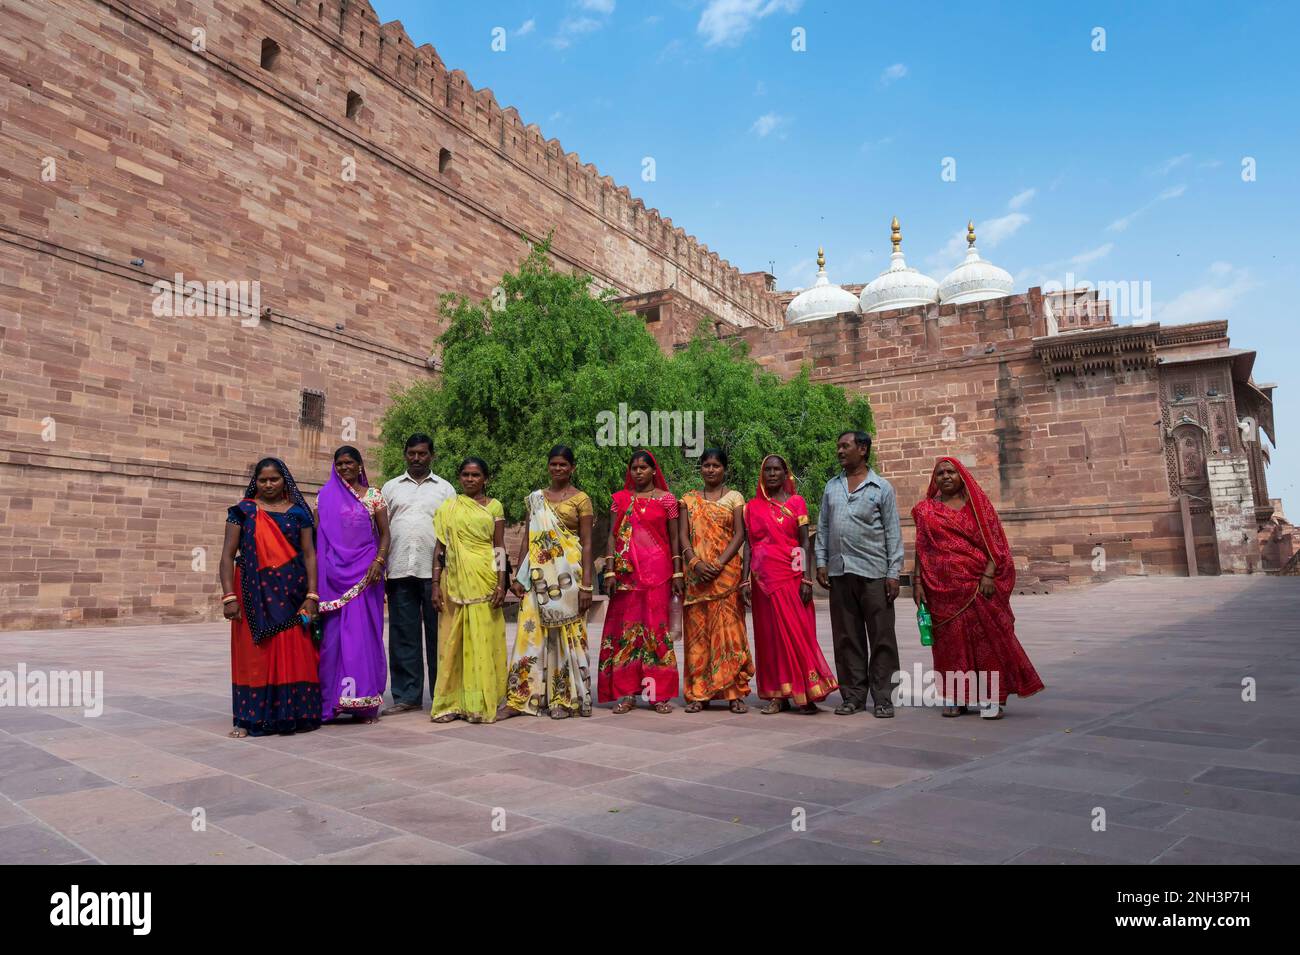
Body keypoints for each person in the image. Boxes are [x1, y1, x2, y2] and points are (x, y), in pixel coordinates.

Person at [911, 457, 1044, 718]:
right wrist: (917, 581)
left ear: (962, 476)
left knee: (989, 644)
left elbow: (997, 543)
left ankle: (994, 699)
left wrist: (989, 575)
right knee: (950, 646)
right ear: (933, 479)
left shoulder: (977, 507)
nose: (945, 477)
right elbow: (921, 548)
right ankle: (956, 697)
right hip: (941, 589)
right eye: (940, 473)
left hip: (978, 586)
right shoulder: (925, 510)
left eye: (951, 472)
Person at [219, 457, 321, 738]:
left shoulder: (299, 514)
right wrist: (229, 597)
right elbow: (227, 556)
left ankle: (295, 714)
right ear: (256, 482)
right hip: (252, 592)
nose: (268, 484)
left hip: (292, 592)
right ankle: (251, 718)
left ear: (284, 480)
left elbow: (310, 555)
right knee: (254, 655)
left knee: (291, 650)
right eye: (262, 480)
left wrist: (312, 595)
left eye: (274, 479)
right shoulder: (242, 512)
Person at [815, 430, 903, 718]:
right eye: (838, 446)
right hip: (840, 573)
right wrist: (821, 562)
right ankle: (852, 696)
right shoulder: (832, 487)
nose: (839, 451)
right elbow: (824, 528)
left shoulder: (881, 488)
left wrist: (893, 573)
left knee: (882, 637)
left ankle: (883, 697)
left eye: (845, 446)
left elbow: (893, 532)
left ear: (862, 449)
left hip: (874, 572)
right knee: (846, 637)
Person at [505, 445, 595, 718]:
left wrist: (587, 586)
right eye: (554, 464)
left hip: (568, 578)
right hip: (537, 576)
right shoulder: (535, 499)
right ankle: (520, 699)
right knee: (528, 633)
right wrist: (519, 576)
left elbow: (588, 545)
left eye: (563, 465)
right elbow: (527, 539)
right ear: (548, 466)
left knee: (564, 636)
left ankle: (563, 699)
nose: (558, 469)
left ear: (572, 468)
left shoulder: (581, 500)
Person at [744, 453, 838, 714]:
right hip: (763, 581)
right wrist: (744, 582)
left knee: (798, 634)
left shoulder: (796, 503)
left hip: (792, 577)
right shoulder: (751, 507)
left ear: (786, 474)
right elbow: (749, 546)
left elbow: (804, 542)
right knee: (770, 638)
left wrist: (806, 578)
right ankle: (778, 695)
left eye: (777, 470)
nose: (772, 474)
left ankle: (805, 694)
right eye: (767, 470)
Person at [598, 449, 682, 714]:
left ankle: (658, 696)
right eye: (634, 468)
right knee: (626, 634)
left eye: (643, 468)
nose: (638, 472)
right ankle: (626, 694)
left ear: (654, 470)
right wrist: (609, 571)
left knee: (656, 632)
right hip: (626, 577)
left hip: (659, 575)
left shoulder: (667, 501)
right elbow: (612, 537)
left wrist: (679, 573)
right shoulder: (619, 500)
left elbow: (675, 539)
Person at [380, 434, 456, 715]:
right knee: (403, 635)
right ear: (404, 454)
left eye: (422, 453)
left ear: (432, 456)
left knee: (438, 635)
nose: (416, 458)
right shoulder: (390, 488)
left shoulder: (446, 490)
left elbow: (452, 532)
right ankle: (407, 696)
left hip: (434, 572)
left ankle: (442, 693)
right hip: (399, 570)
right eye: (411, 453)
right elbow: (380, 529)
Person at [430, 458, 508, 723]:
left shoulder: (494, 507)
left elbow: (499, 547)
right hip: (452, 582)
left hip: (484, 580)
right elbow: (439, 550)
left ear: (485, 478)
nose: (470, 479)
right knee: (452, 643)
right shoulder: (448, 508)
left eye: (476, 475)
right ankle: (449, 703)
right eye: (465, 474)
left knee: (481, 642)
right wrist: (434, 584)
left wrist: (501, 582)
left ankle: (478, 703)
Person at [316, 446, 390, 724]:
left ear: (360, 466)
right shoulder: (324, 496)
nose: (344, 468)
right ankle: (331, 703)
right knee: (332, 642)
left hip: (366, 575)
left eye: (349, 463)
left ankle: (364, 704)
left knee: (362, 638)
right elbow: (318, 539)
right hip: (333, 578)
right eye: (339, 464)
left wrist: (379, 562)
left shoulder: (374, 496)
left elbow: (385, 535)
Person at [679, 448, 753, 713]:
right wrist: (694, 563)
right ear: (701, 468)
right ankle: (699, 694)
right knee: (698, 637)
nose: (710, 470)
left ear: (724, 469)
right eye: (706, 465)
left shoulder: (735, 497)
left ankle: (734, 694)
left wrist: (719, 563)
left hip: (726, 575)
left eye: (716, 465)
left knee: (729, 635)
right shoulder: (688, 499)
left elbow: (740, 534)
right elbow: (683, 536)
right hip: (696, 577)